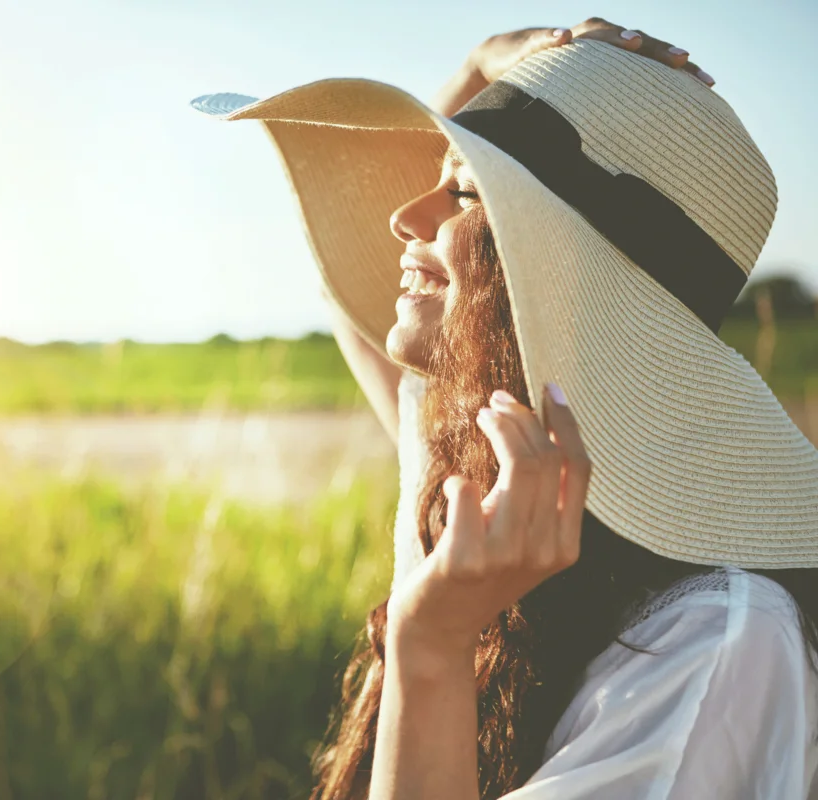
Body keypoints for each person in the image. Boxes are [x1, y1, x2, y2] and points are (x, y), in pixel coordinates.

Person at [192, 17, 818, 799]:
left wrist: (433, 643)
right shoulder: (487, 464)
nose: (401, 218)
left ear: (563, 271)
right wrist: (478, 72)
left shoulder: (718, 646)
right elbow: (344, 292)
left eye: (459, 191)